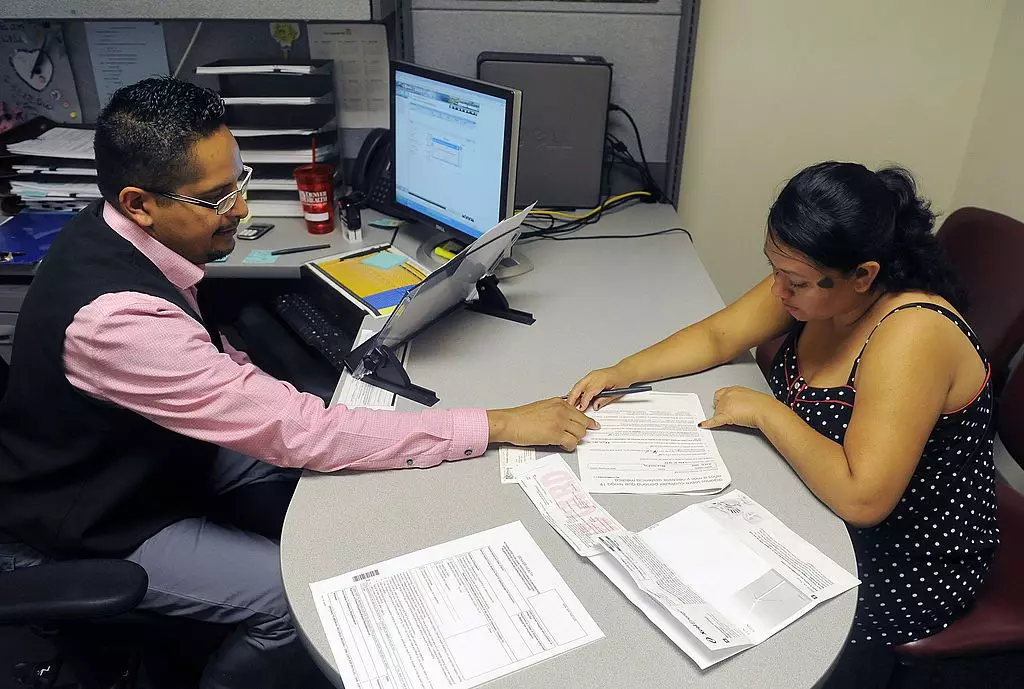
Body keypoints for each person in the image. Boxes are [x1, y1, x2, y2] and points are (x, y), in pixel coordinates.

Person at [0, 77, 595, 689]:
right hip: (95, 518)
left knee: (342, 486)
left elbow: (215, 363)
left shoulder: (121, 238)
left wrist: (293, 410)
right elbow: (298, 432)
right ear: (139, 203)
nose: (241, 210)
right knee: (297, 603)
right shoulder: (117, 321)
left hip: (151, 455)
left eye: (240, 182)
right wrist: (497, 424)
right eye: (215, 199)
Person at [569, 161, 999, 687]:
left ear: (864, 275)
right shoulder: (820, 287)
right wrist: (621, 372)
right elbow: (719, 336)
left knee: (739, 646)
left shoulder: (911, 333)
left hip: (909, 555)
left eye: (793, 281)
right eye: (775, 270)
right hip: (815, 508)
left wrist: (765, 411)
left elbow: (864, 500)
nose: (778, 291)